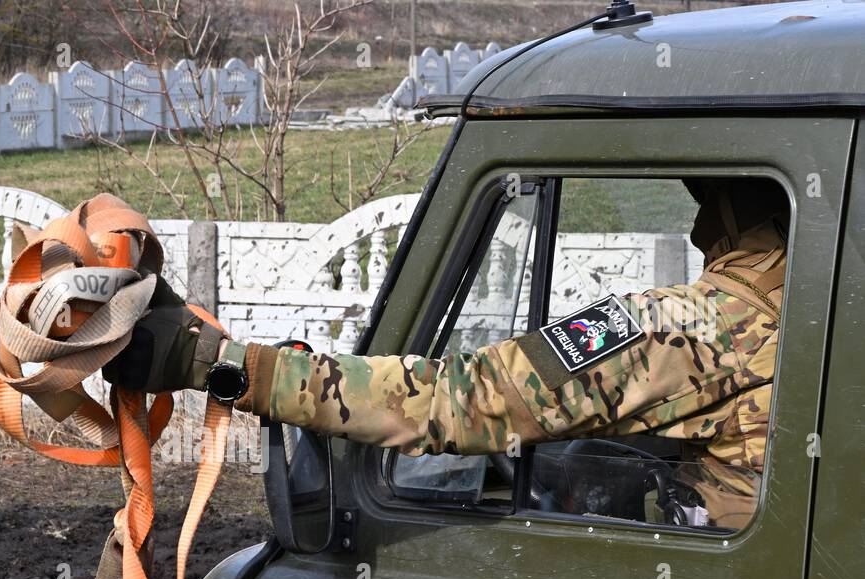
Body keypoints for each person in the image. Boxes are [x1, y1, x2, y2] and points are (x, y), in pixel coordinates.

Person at [104, 178, 789, 529]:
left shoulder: (695, 326)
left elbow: (461, 400)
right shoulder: (818, 313)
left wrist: (222, 367)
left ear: (728, 208)